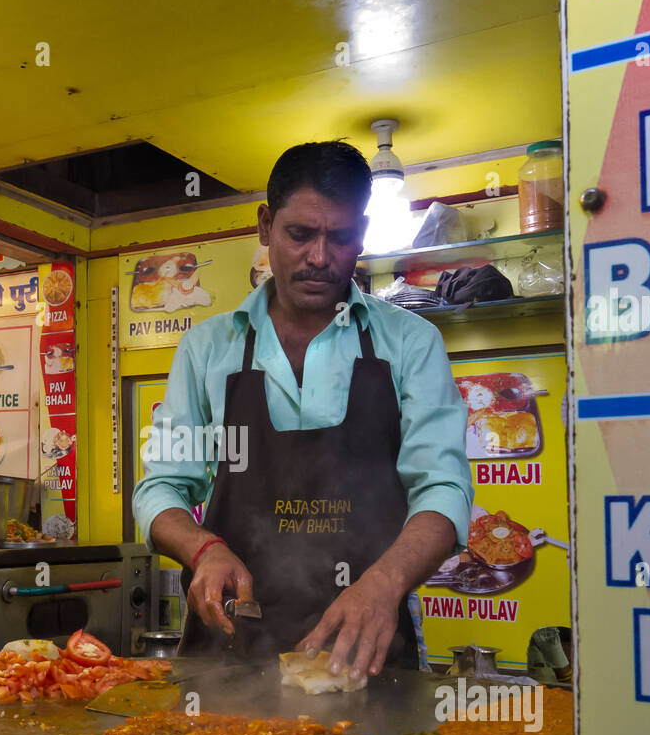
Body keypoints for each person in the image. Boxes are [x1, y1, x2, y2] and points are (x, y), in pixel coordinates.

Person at [132, 141, 473, 680]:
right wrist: (202, 550)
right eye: (300, 234)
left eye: (340, 238)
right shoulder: (207, 349)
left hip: (366, 652)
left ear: (361, 234)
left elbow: (444, 490)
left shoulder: (410, 343)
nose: (320, 257)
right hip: (226, 659)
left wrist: (382, 585)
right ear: (266, 226)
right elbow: (161, 489)